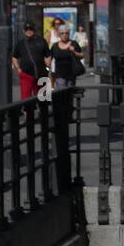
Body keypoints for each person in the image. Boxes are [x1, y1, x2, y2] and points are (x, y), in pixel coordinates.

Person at [50, 27, 84, 189]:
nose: (64, 36)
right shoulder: (55, 46)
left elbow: (81, 56)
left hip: (71, 73)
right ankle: (61, 113)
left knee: (69, 95)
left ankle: (68, 113)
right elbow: (50, 60)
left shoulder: (74, 43)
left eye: (66, 34)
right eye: (62, 33)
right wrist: (49, 72)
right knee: (60, 93)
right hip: (60, 75)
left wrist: (74, 51)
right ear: (59, 34)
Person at [12, 21, 51, 101]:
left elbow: (48, 54)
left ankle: (43, 112)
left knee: (43, 99)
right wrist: (18, 69)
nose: (29, 30)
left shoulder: (41, 40)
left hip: (41, 73)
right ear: (23, 31)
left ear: (34, 29)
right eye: (26, 29)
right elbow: (14, 57)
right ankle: (28, 113)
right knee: (26, 99)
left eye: (31, 29)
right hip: (26, 74)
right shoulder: (20, 43)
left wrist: (47, 66)